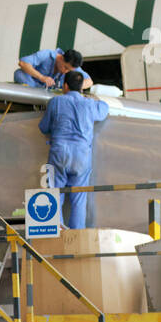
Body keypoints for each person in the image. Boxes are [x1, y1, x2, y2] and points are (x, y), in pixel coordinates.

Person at [38, 70, 109, 228]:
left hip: (59, 152)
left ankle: (56, 233)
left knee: (54, 195)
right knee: (78, 199)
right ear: (82, 88)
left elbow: (43, 128)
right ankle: (76, 238)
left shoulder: (55, 102)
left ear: (65, 85)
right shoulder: (90, 104)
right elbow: (104, 108)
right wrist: (92, 99)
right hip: (82, 155)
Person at [15, 47, 93, 90]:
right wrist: (41, 77)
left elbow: (89, 81)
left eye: (69, 70)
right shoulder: (47, 54)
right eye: (65, 67)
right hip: (33, 85)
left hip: (53, 92)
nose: (65, 71)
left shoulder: (72, 66)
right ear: (61, 58)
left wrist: (74, 87)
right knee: (19, 74)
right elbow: (23, 63)